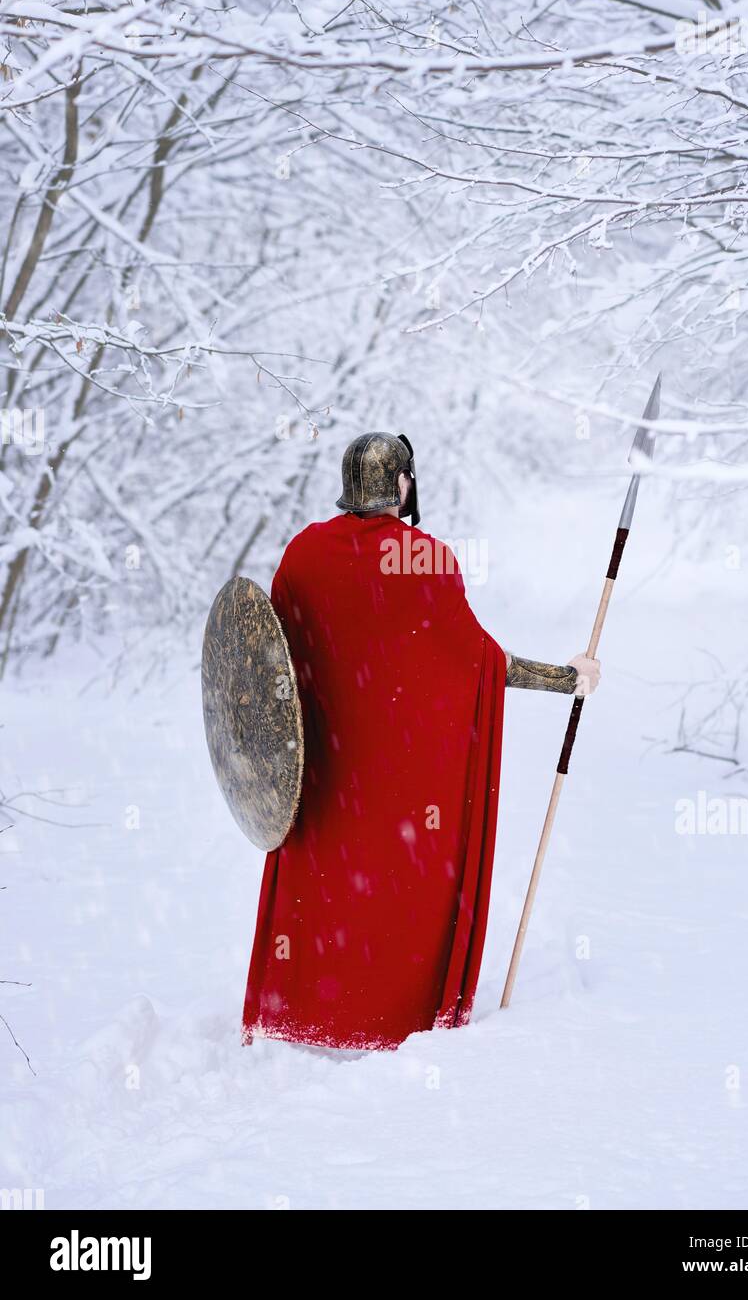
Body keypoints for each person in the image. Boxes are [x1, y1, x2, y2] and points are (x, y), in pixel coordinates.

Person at [242, 432, 599, 1050]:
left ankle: (303, 1014)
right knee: (394, 893)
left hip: (323, 779)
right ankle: (382, 1020)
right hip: (399, 786)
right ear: (401, 484)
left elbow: (273, 666)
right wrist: (568, 678)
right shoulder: (423, 559)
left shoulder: (302, 555)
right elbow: (483, 663)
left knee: (326, 888)